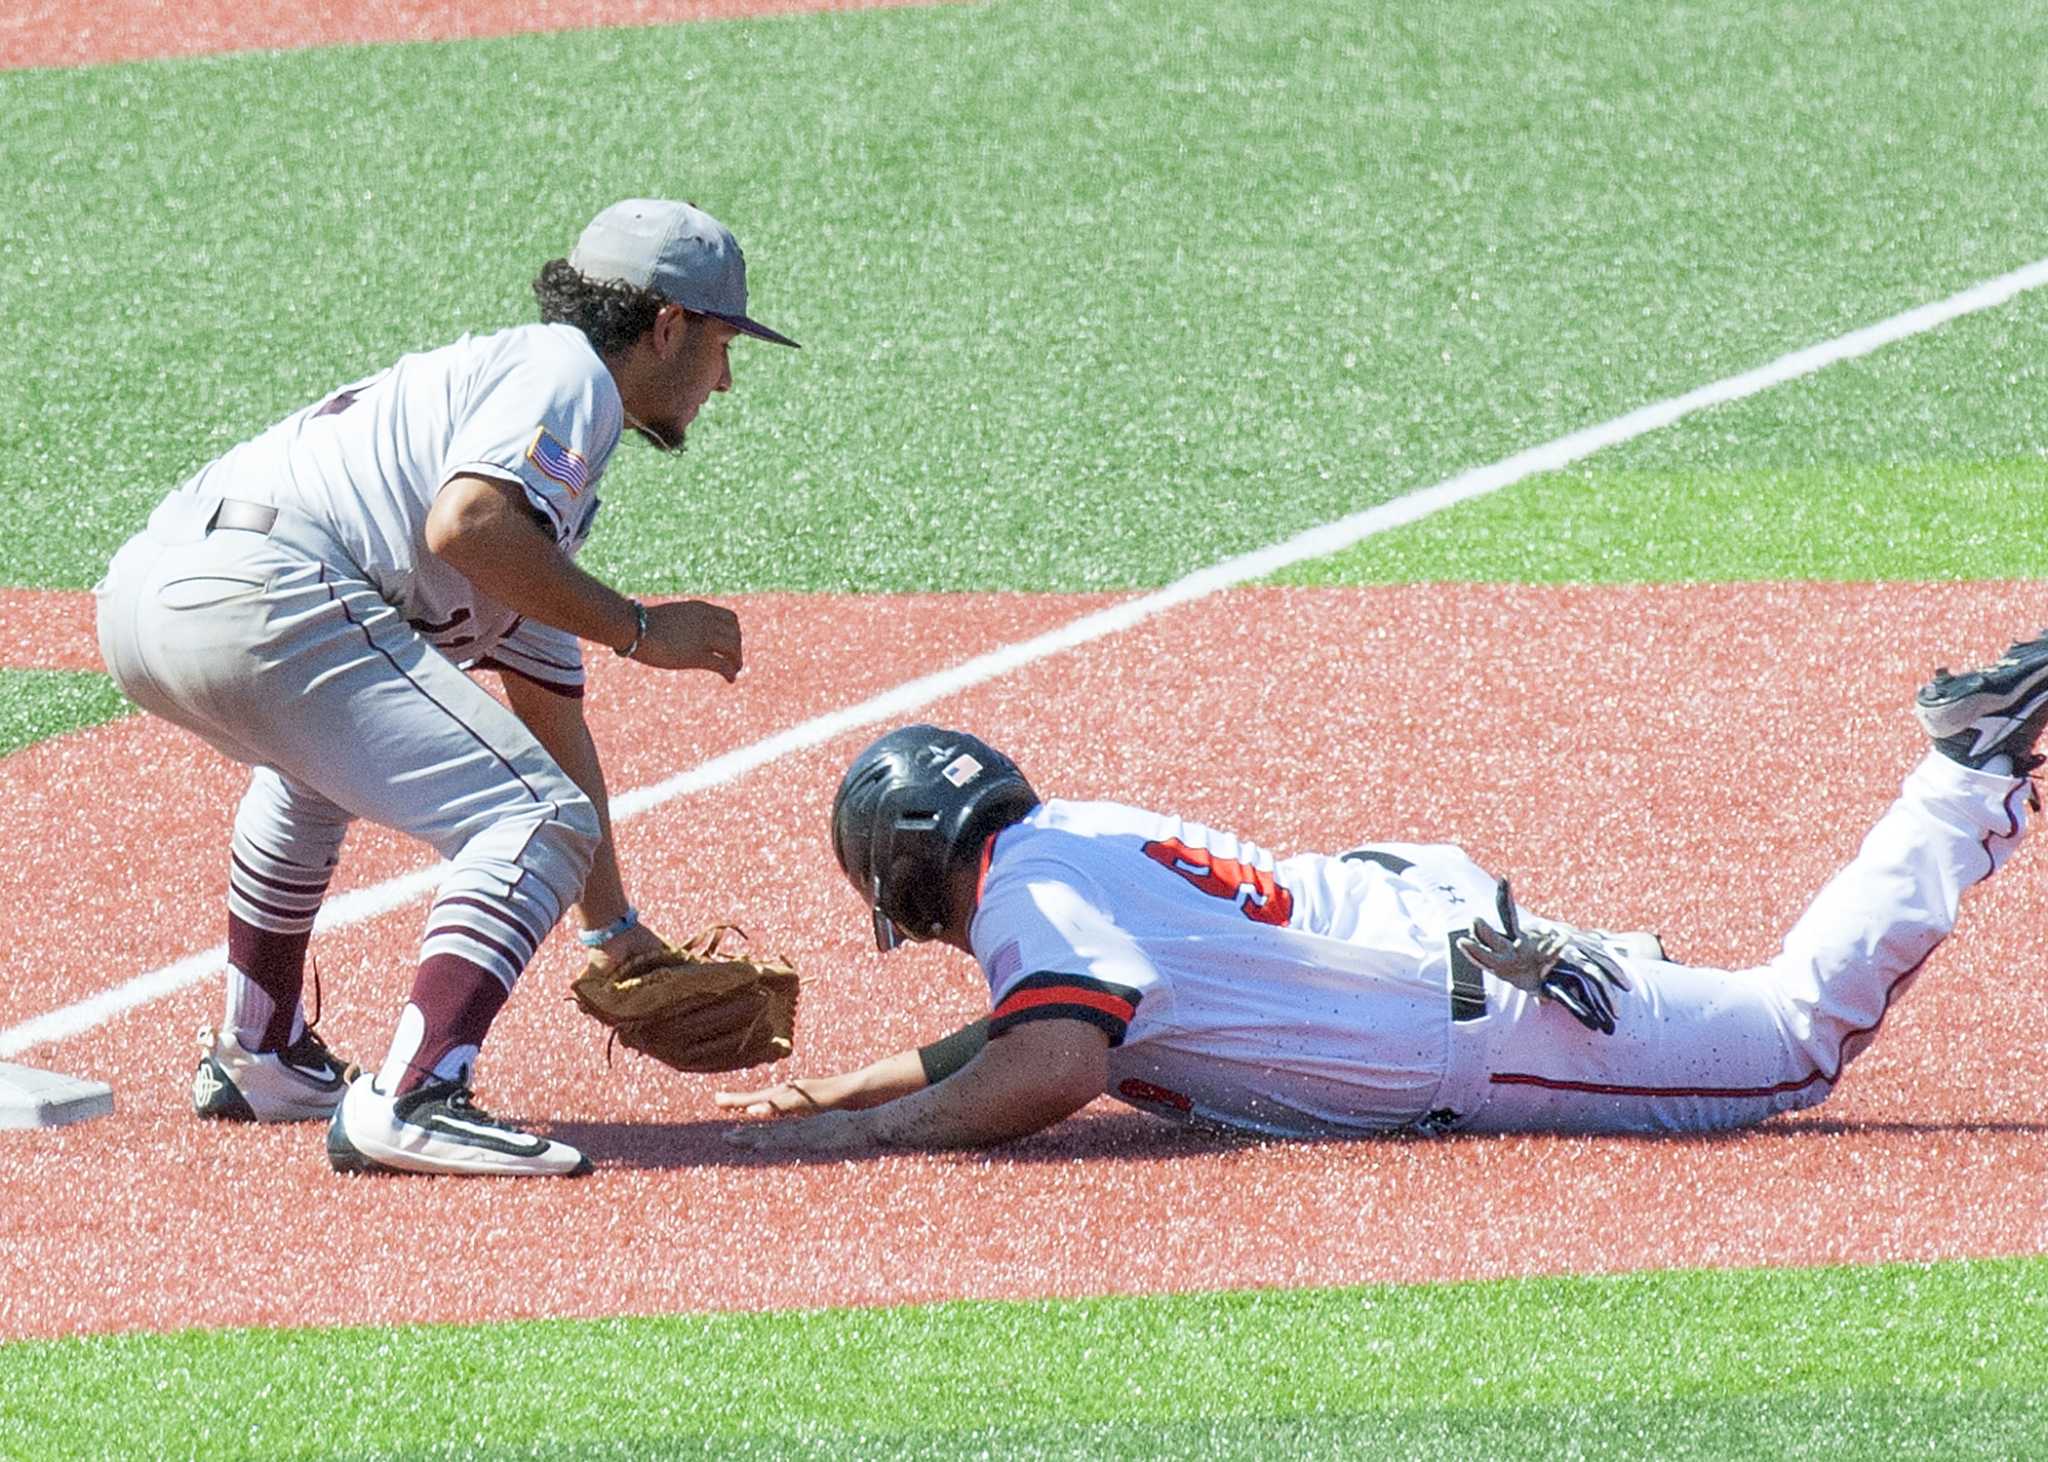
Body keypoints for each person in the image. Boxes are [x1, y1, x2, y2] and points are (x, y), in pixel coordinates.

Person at [96, 198, 798, 1177]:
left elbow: (550, 717)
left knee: (320, 777)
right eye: (723, 343)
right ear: (666, 323)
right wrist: (642, 630)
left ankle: (263, 1055)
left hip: (149, 596)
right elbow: (465, 526)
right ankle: (417, 1091)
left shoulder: (523, 449)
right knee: (537, 821)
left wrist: (614, 933)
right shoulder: (568, 376)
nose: (724, 380)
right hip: (262, 591)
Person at [720, 635, 2048, 1152]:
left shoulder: (1025, 903)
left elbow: (1054, 1058)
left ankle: (1964, 776)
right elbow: (1031, 1019)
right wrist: (859, 1082)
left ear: (910, 867)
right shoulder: (1059, 846)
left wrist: (872, 1139)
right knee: (1696, 1010)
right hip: (1425, 925)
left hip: (1461, 1019)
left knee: (1787, 1043)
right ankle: (1618, 970)